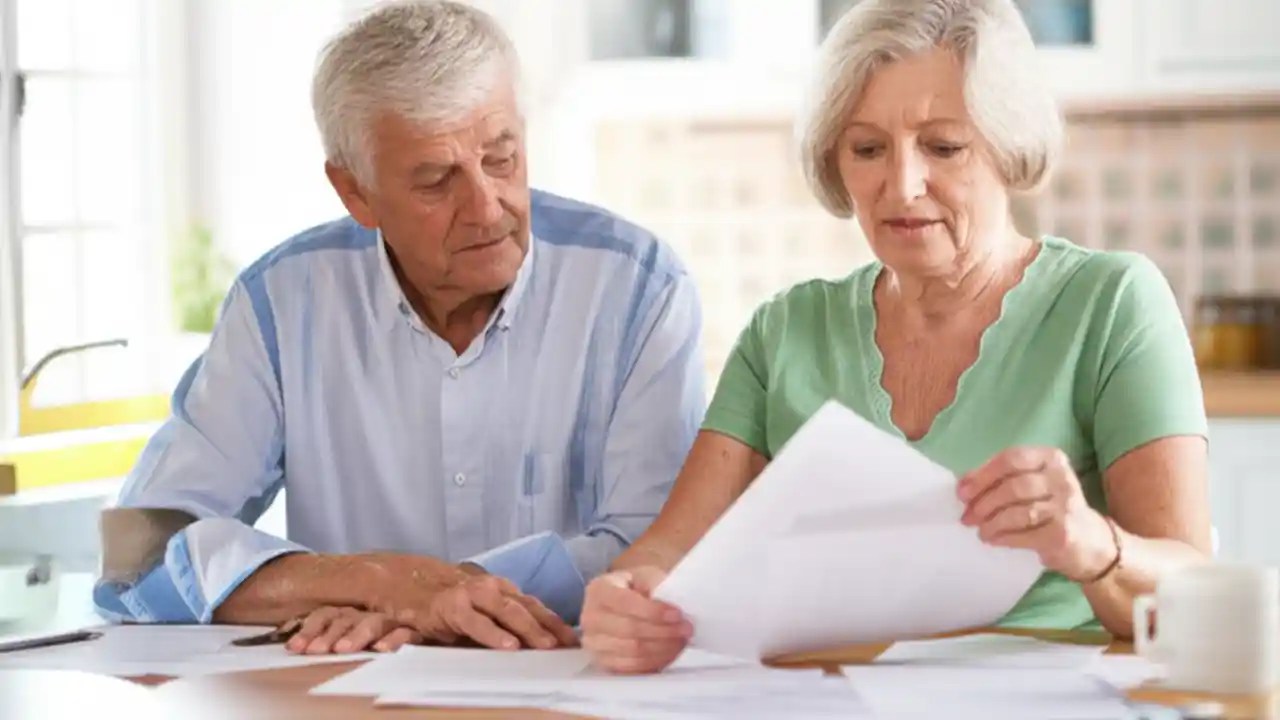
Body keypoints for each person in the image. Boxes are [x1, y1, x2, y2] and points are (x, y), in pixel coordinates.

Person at [580, 0, 1213, 674]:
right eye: (867, 149)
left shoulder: (1110, 303)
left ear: (1009, 145)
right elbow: (668, 551)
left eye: (943, 146)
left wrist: (1094, 545)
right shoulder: (784, 332)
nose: (902, 185)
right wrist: (628, 597)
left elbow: (1192, 590)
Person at [93, 0, 705, 656]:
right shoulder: (281, 303)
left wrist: (440, 597)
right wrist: (371, 582)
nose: (486, 207)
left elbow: (657, 548)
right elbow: (139, 553)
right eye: (437, 181)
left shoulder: (638, 288)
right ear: (354, 192)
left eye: (502, 159)